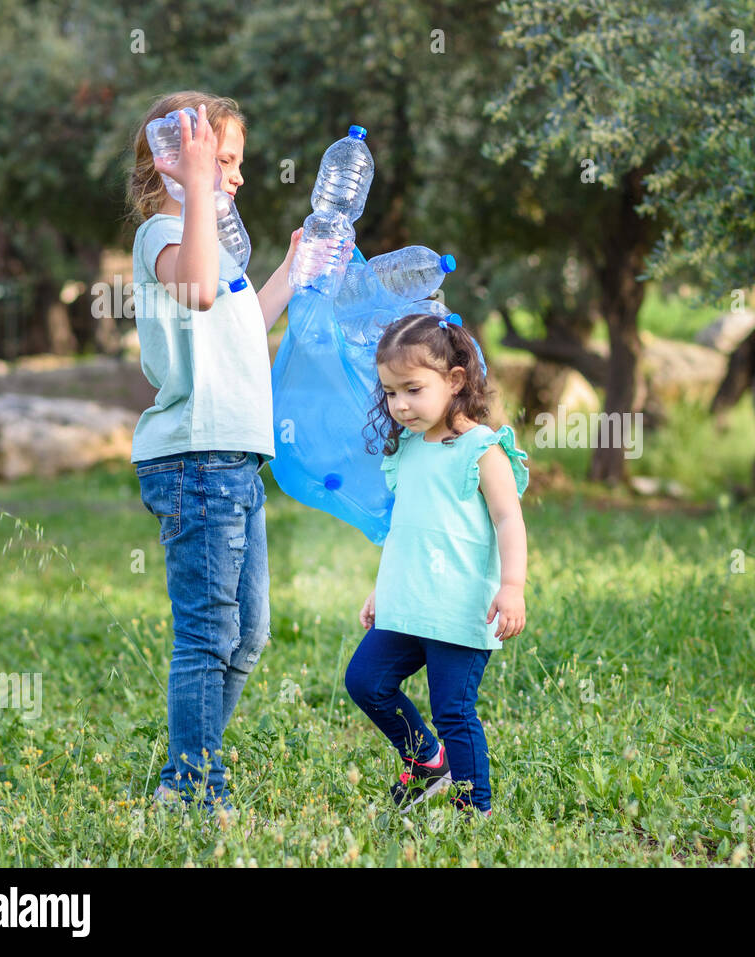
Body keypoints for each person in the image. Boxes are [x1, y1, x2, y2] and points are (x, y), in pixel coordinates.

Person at [125, 91, 302, 815]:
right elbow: (196, 290)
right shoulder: (164, 235)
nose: (234, 177)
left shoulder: (213, 245)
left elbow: (239, 323)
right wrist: (197, 187)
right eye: (221, 160)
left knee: (248, 633)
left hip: (233, 460)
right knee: (208, 632)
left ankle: (183, 770)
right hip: (195, 458)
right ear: (174, 160)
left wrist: (290, 270)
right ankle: (194, 786)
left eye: (234, 164)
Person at [345, 314, 530, 819]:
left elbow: (509, 520)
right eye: (389, 393)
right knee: (365, 681)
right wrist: (383, 588)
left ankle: (476, 809)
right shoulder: (405, 448)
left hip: (459, 611)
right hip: (408, 603)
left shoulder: (481, 449)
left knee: (454, 711)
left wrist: (512, 585)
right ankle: (427, 760)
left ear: (454, 381)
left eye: (412, 389)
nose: (400, 405)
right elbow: (406, 527)